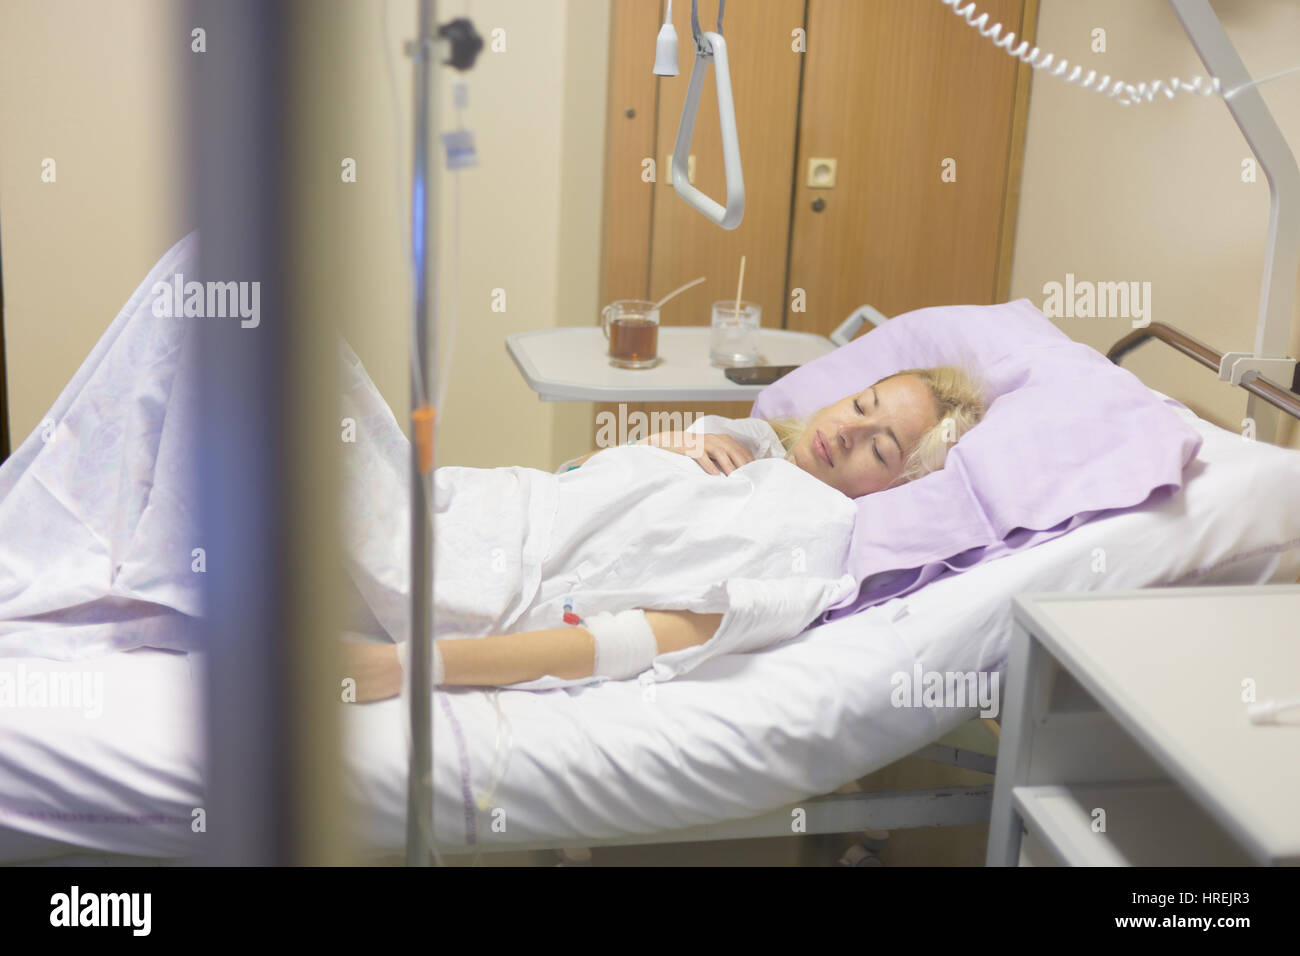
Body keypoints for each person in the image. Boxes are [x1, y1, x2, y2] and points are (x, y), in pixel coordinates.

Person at [344, 365, 986, 701]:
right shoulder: (748, 441)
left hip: (471, 580)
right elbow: (571, 483)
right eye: (862, 405)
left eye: (880, 449)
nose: (848, 430)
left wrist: (405, 668)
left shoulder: (812, 540)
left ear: (902, 490)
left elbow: (626, 642)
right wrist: (658, 445)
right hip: (465, 503)